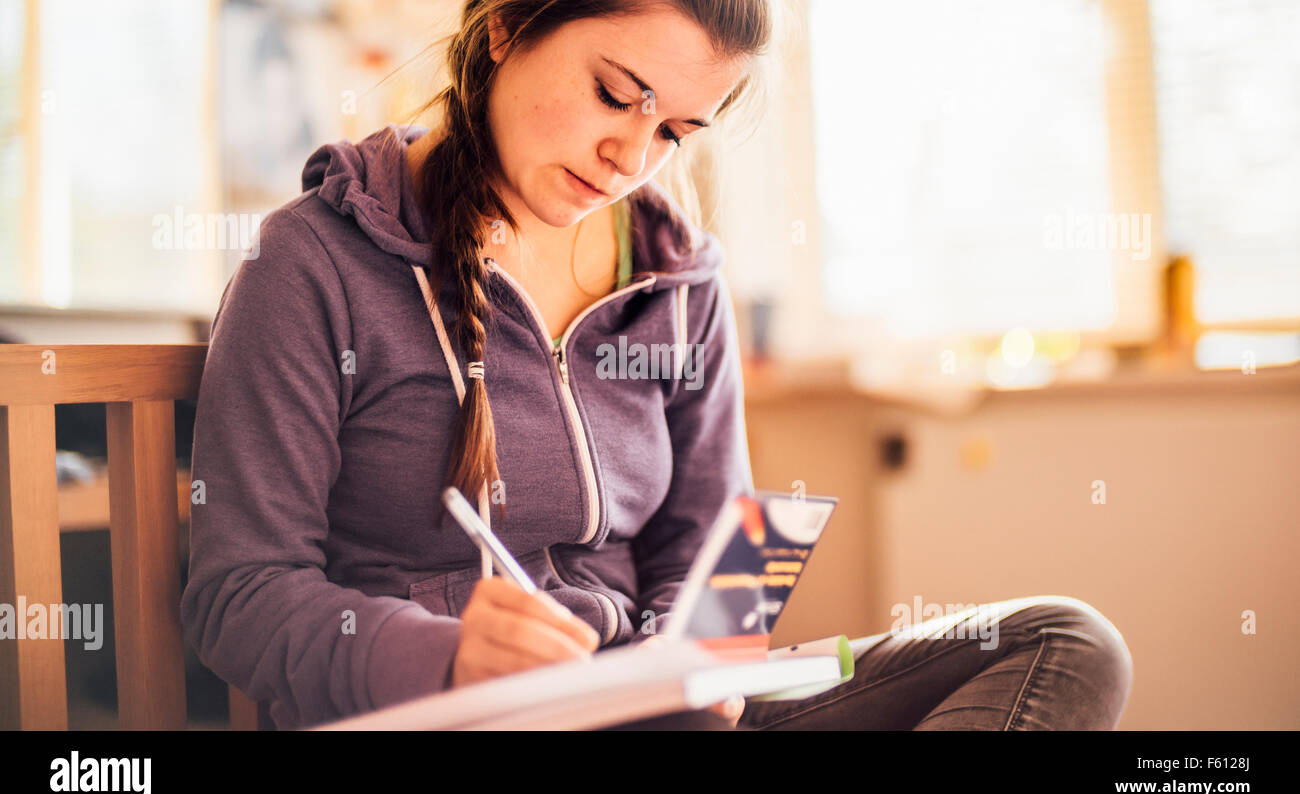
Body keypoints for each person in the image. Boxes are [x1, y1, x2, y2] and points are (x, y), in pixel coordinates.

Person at [181, 0, 1132, 731]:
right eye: (615, 93)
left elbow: (719, 545)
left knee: (1065, 640)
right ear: (510, 24)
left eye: (674, 130)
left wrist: (710, 653)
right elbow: (239, 593)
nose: (631, 154)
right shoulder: (314, 262)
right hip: (467, 716)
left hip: (657, 707)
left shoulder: (678, 273)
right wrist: (446, 657)